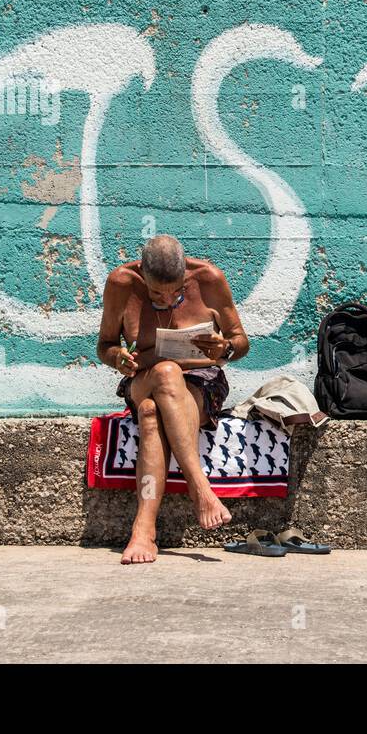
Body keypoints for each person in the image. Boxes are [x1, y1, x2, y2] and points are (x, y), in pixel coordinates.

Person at [95, 234, 250, 564]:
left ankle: (143, 530)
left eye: (176, 292)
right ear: (141, 273)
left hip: (200, 380)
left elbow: (241, 341)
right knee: (165, 372)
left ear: (186, 273)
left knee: (151, 414)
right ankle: (200, 488)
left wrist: (225, 349)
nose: (166, 300)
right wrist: (118, 358)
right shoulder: (122, 283)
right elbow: (105, 345)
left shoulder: (209, 278)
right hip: (146, 376)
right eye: (156, 294)